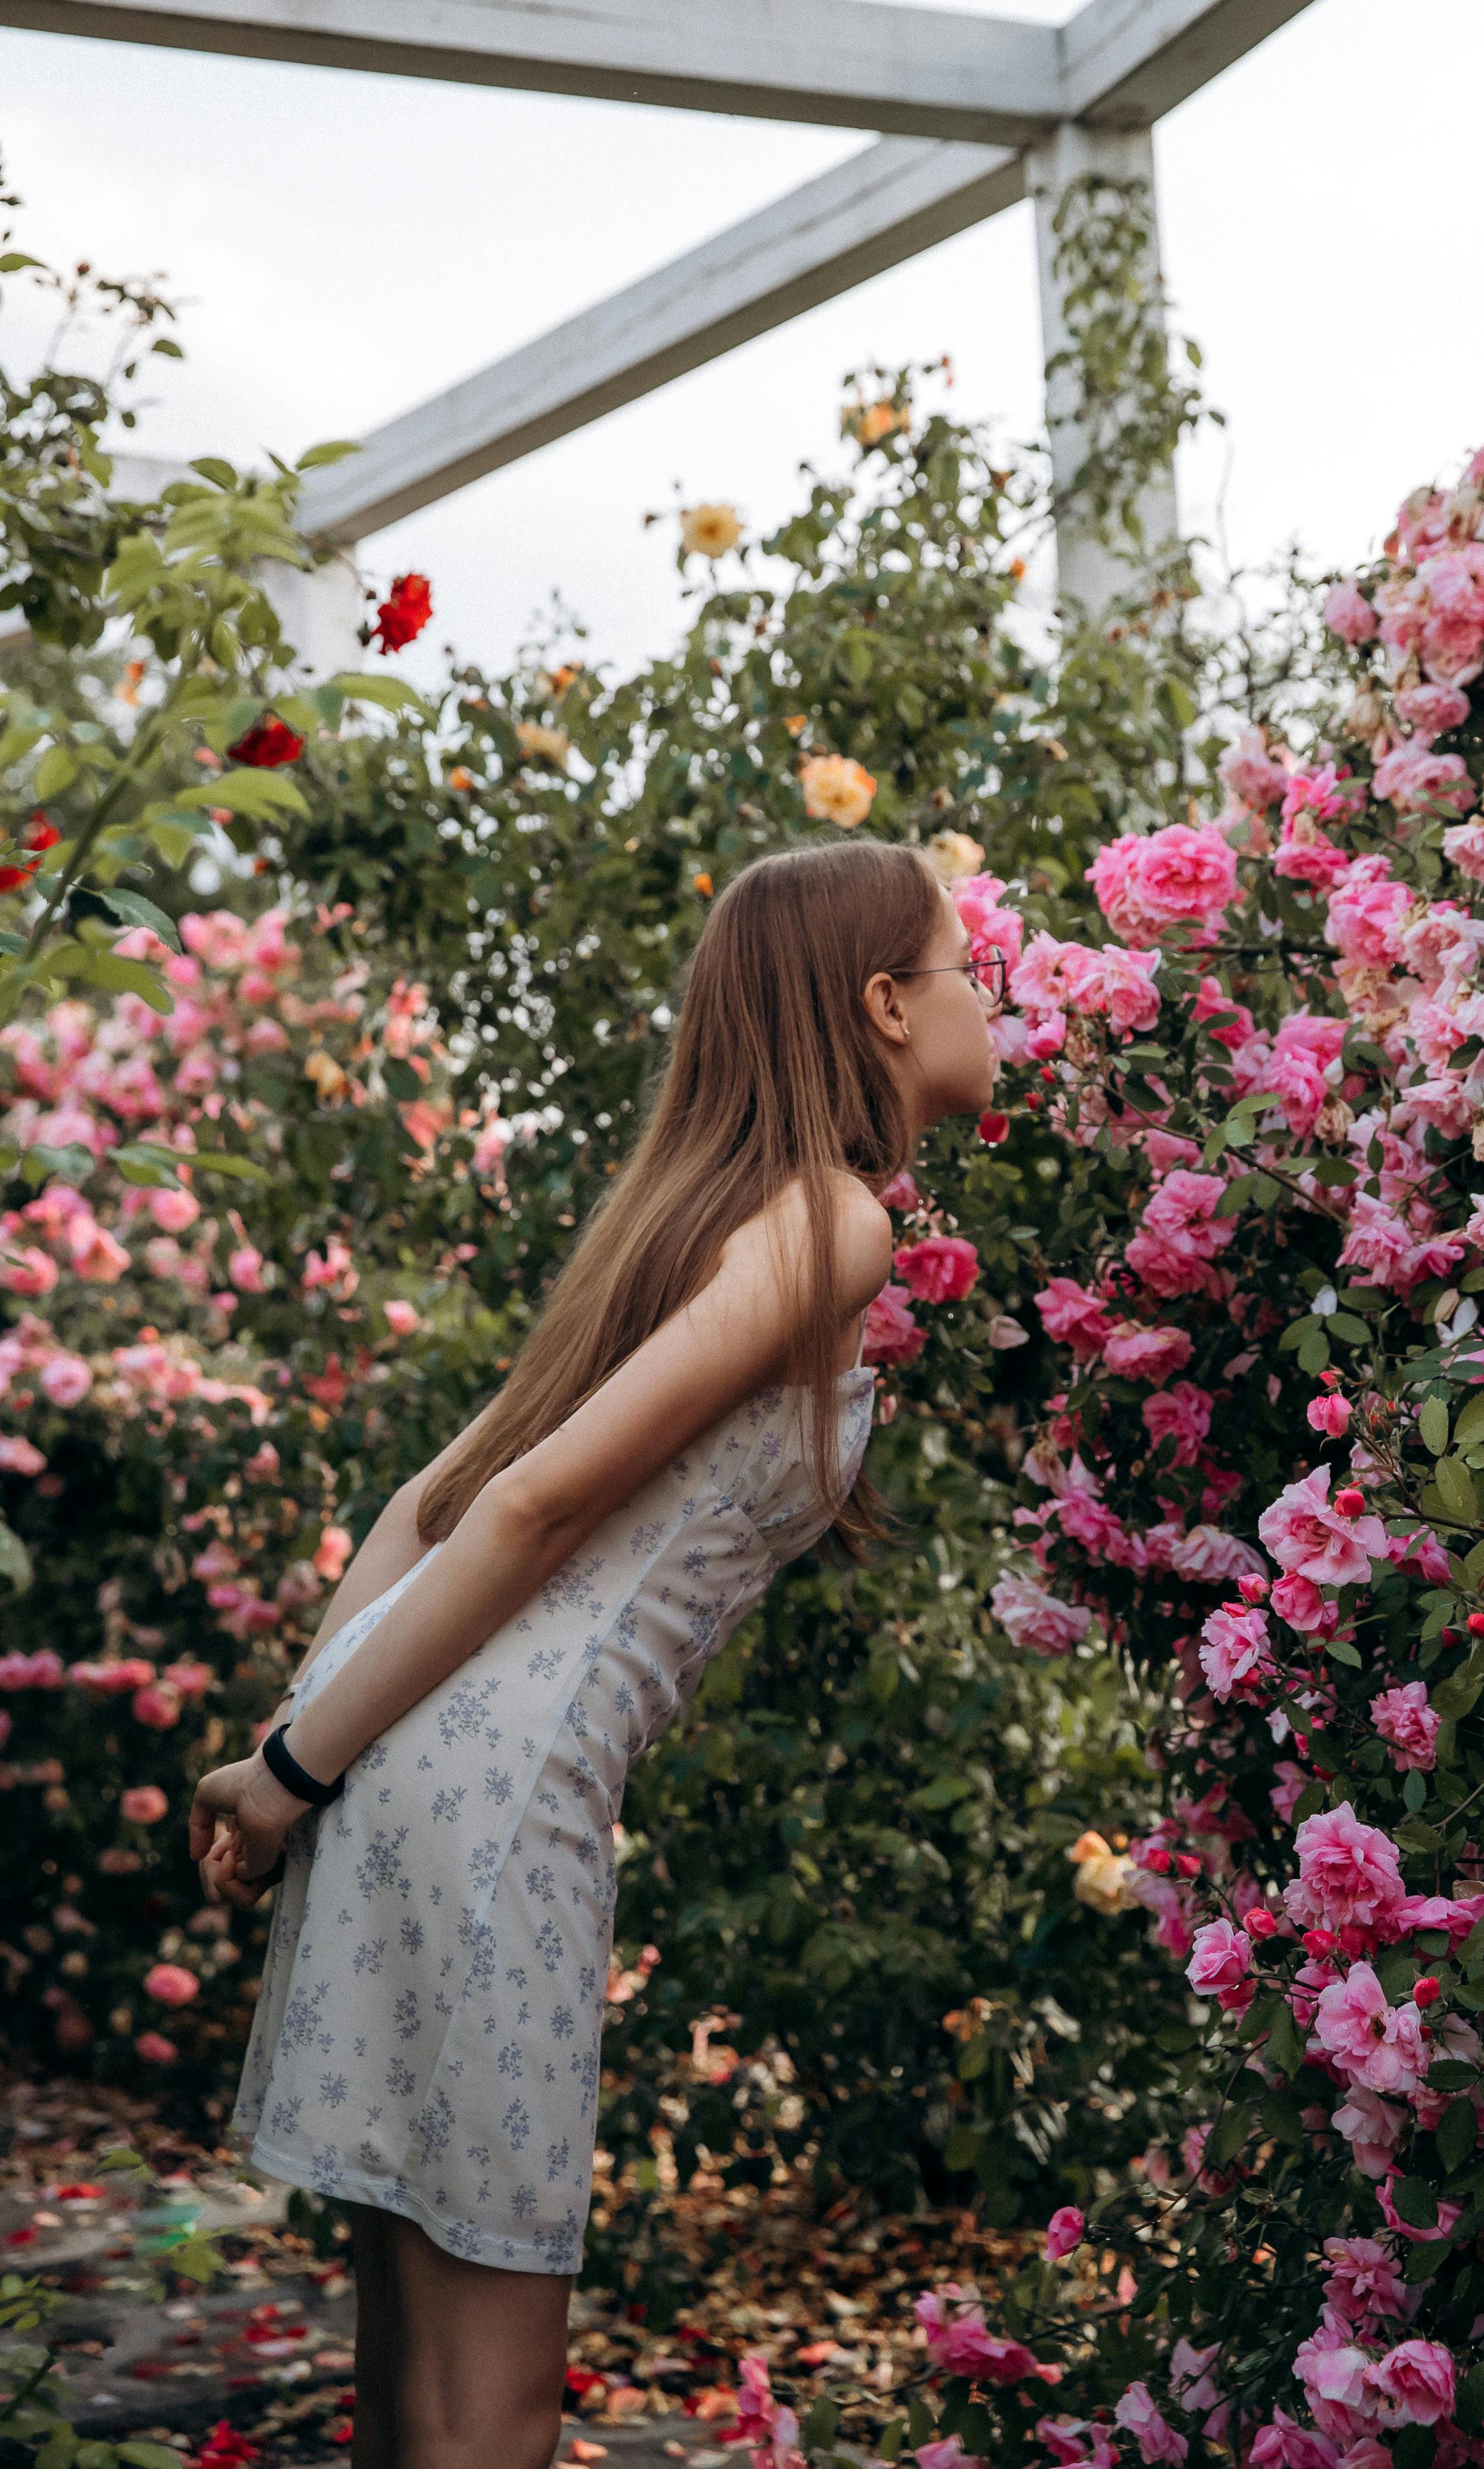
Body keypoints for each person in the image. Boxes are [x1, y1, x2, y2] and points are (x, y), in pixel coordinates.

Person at [189, 837, 1002, 2469]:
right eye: (965, 961)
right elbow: (532, 1502)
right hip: (493, 1795)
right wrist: (287, 1774)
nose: (995, 992)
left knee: (410, 2377)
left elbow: (433, 1496)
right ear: (882, 1005)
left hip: (402, 1756)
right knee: (486, 2402)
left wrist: (311, 1742)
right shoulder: (830, 1221)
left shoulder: (686, 1221)